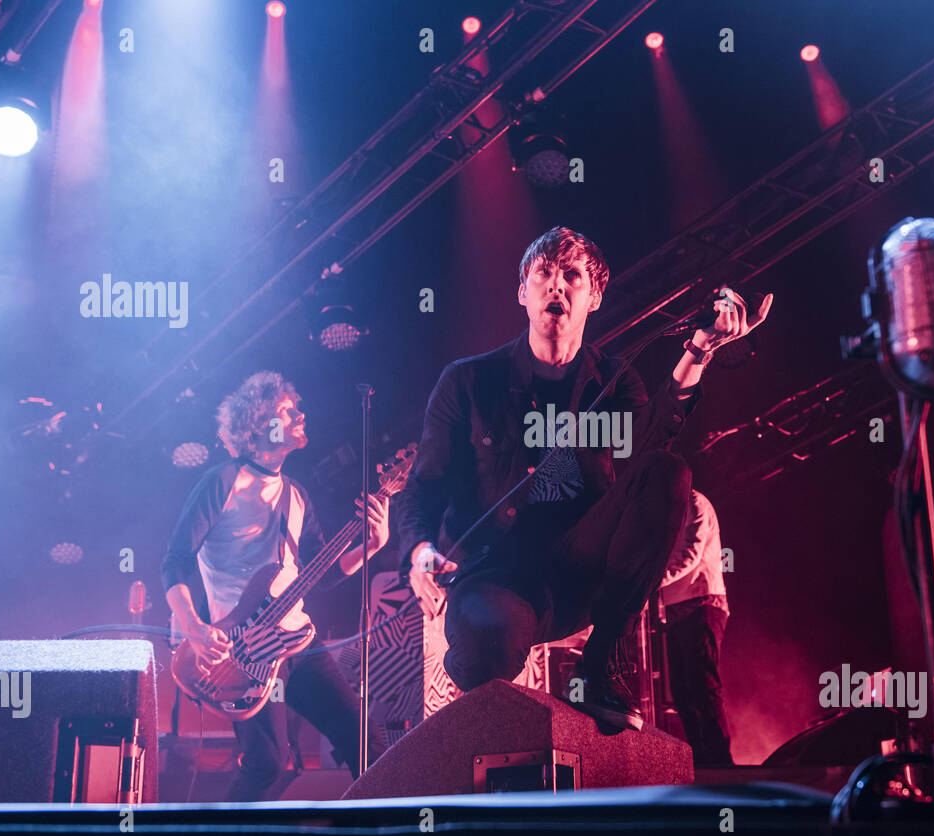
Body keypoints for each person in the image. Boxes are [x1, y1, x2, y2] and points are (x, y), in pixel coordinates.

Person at [400, 226, 772, 730]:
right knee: (488, 649)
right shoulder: (468, 381)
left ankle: (600, 666)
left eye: (571, 276)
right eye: (543, 275)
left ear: (593, 298)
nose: (556, 286)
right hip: (496, 577)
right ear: (522, 293)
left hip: (579, 575)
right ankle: (473, 664)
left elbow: (649, 446)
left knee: (668, 470)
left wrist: (700, 349)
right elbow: (424, 483)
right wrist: (420, 551)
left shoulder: (615, 381)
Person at [162, 371, 390, 800]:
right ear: (259, 423)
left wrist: (372, 547)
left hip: (297, 642)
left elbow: (322, 575)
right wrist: (193, 627)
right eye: (288, 409)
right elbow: (173, 563)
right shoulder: (222, 483)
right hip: (240, 650)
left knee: (371, 748)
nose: (301, 413)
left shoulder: (297, 495)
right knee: (267, 766)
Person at [658, 489, 733, 766]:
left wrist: (650, 583)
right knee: (682, 692)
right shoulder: (669, 509)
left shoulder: (695, 503)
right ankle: (701, 762)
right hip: (679, 610)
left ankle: (722, 763)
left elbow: (690, 554)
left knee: (703, 688)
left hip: (703, 604)